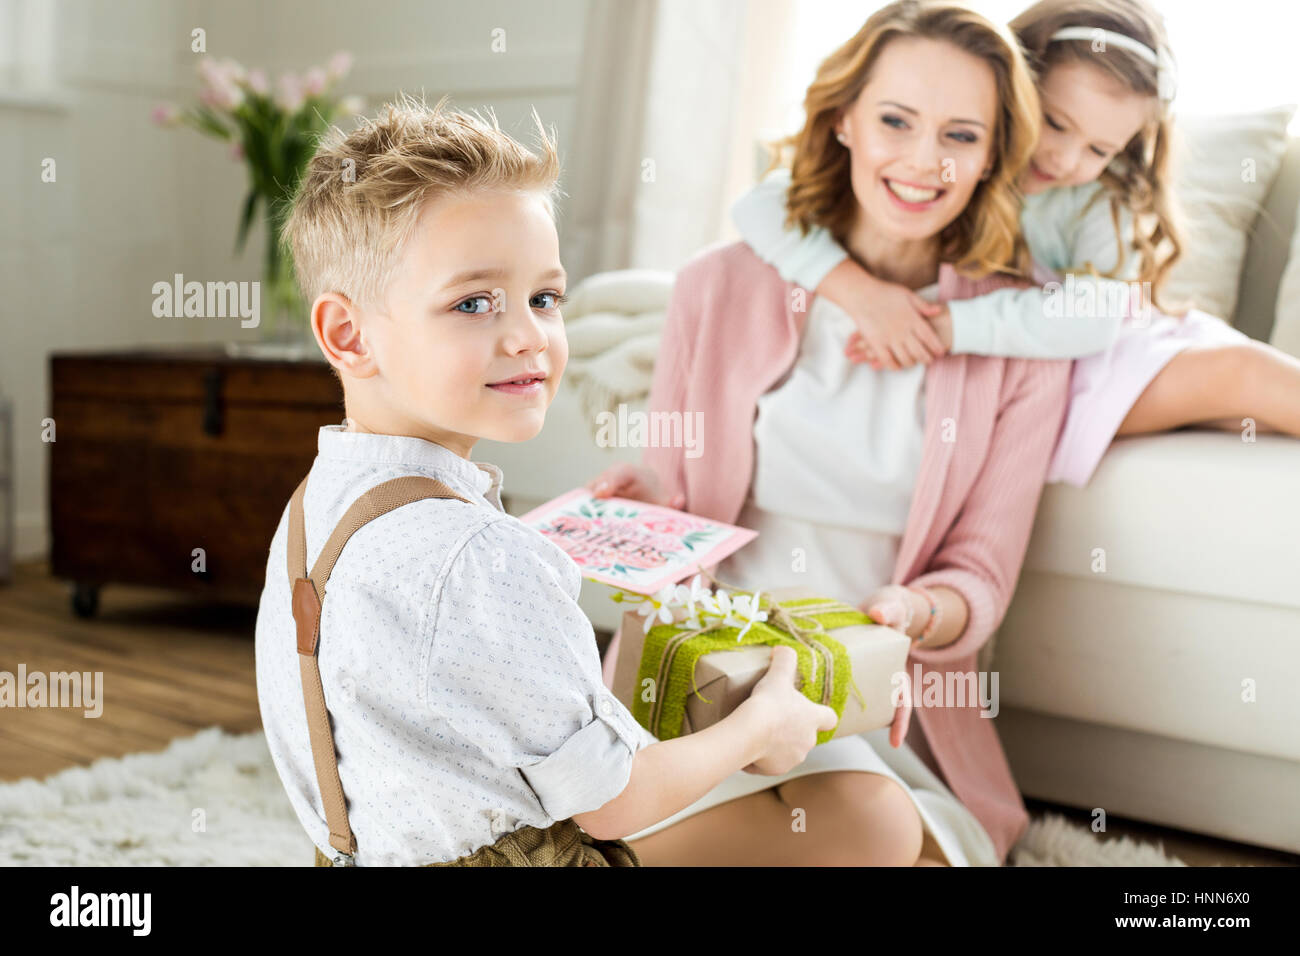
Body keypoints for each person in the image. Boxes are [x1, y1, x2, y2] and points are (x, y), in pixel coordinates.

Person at [254, 94, 837, 867]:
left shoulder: (311, 509)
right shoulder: (483, 558)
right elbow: (611, 806)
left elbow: (469, 683)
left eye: (545, 297)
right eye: (473, 303)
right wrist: (758, 730)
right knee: (863, 816)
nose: (529, 335)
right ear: (349, 334)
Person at [591, 0, 1068, 866]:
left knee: (880, 823)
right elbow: (674, 486)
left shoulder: (1020, 337)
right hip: (708, 684)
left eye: (961, 136)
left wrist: (920, 611)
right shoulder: (717, 284)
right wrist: (638, 509)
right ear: (843, 119)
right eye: (895, 121)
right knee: (847, 832)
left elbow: (981, 574)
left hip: (873, 708)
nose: (924, 162)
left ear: (995, 151)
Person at [732, 0, 1300, 488]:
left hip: (1100, 342)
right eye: (1054, 123)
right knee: (1246, 386)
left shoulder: (1100, 198)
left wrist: (949, 326)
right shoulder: (949, 160)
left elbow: (1095, 318)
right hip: (1042, 356)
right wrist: (857, 292)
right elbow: (759, 205)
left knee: (1251, 382)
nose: (1067, 159)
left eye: (1099, 149)